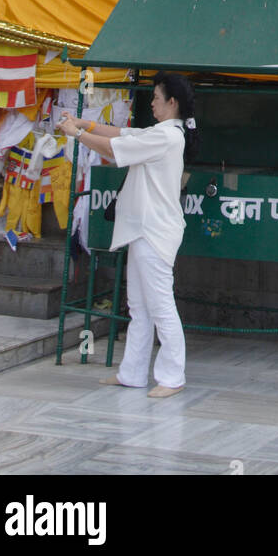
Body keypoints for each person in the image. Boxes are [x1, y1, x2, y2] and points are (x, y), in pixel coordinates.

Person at [60, 71, 198, 397]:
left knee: (160, 306)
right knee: (139, 306)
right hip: (142, 229)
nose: (151, 103)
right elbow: (122, 132)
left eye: (156, 98)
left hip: (155, 231)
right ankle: (133, 373)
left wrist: (76, 134)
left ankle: (172, 376)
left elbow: (114, 147)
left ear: (172, 102)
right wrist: (84, 123)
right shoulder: (160, 132)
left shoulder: (166, 137)